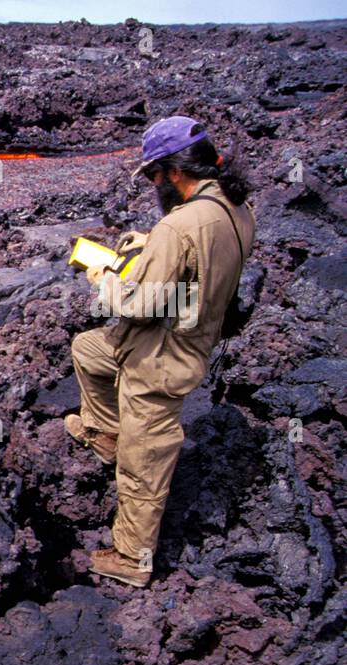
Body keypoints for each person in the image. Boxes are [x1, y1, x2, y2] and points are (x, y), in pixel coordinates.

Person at [66, 115, 256, 587]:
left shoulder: (182, 226)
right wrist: (149, 246)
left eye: (154, 174)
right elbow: (202, 268)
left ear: (174, 171)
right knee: (89, 350)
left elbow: (138, 304)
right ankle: (106, 433)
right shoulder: (234, 206)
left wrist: (105, 278)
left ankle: (132, 558)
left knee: (144, 458)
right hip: (194, 322)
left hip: (164, 354)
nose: (154, 184)